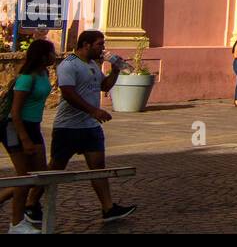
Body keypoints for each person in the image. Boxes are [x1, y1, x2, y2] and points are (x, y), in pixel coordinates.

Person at [46, 31, 137, 223]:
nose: (102, 49)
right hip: (68, 127)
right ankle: (31, 203)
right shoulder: (69, 65)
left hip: (90, 127)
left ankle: (108, 207)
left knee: (98, 168)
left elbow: (103, 86)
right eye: (99, 44)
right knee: (55, 168)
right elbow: (68, 93)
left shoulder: (93, 65)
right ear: (86, 45)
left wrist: (115, 71)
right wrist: (92, 111)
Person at [1, 38, 57, 233]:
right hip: (16, 127)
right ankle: (16, 224)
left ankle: (3, 198)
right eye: (51, 52)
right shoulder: (26, 78)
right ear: (42, 55)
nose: (54, 55)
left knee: (40, 174)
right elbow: (15, 112)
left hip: (34, 126)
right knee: (24, 176)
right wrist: (24, 139)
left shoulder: (44, 73)